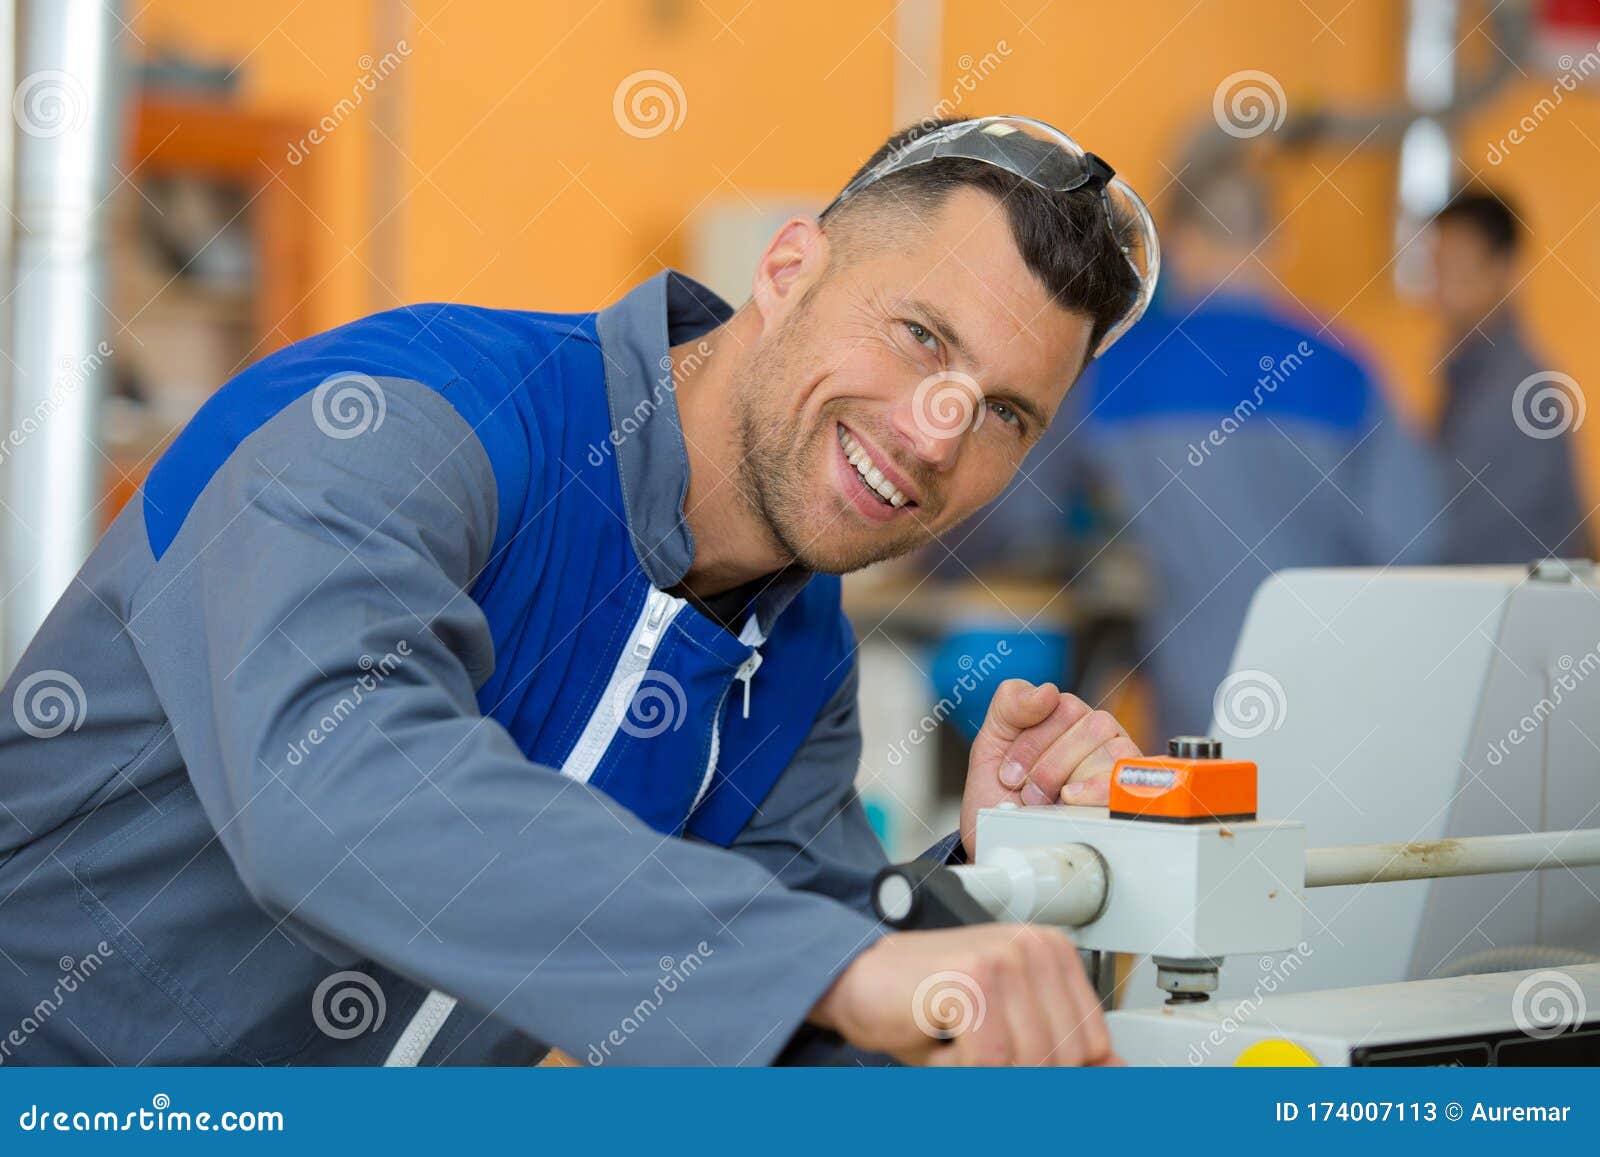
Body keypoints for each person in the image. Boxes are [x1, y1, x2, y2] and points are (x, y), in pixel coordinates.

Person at [0, 117, 1152, 1067]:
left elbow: (803, 1013)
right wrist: (839, 968)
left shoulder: (795, 655)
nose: (934, 431)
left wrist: (988, 881)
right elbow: (330, 785)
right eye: (916, 335)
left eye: (1004, 412)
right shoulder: (403, 419)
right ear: (790, 269)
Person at [1034, 168, 1443, 740]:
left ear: (1180, 245)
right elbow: (1413, 543)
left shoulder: (1119, 372)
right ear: (1275, 242)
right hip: (1331, 707)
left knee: (1199, 827)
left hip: (1191, 713)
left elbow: (1020, 512)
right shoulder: (1347, 371)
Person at [1429, 190, 1592, 564]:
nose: (1438, 286)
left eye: (1455, 266)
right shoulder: (1471, 376)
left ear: (1503, 268)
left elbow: (1438, 533)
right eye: (1435, 265)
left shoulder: (1514, 393)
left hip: (1516, 615)